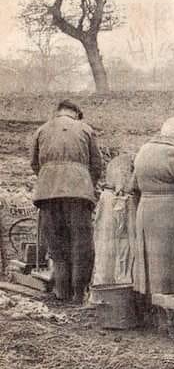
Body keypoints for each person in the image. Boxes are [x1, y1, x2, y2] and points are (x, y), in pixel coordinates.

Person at [29, 99, 104, 303]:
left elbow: (34, 164)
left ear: (58, 111)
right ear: (77, 114)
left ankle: (61, 292)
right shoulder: (86, 129)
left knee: (56, 243)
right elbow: (97, 165)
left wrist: (49, 179)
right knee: (81, 245)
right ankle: (79, 294)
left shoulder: (41, 130)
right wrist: (86, 183)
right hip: (78, 194)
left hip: (47, 194)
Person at [131, 117, 174, 299]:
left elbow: (134, 186)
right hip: (170, 214)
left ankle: (157, 309)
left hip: (146, 211)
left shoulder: (144, 149)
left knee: (155, 263)